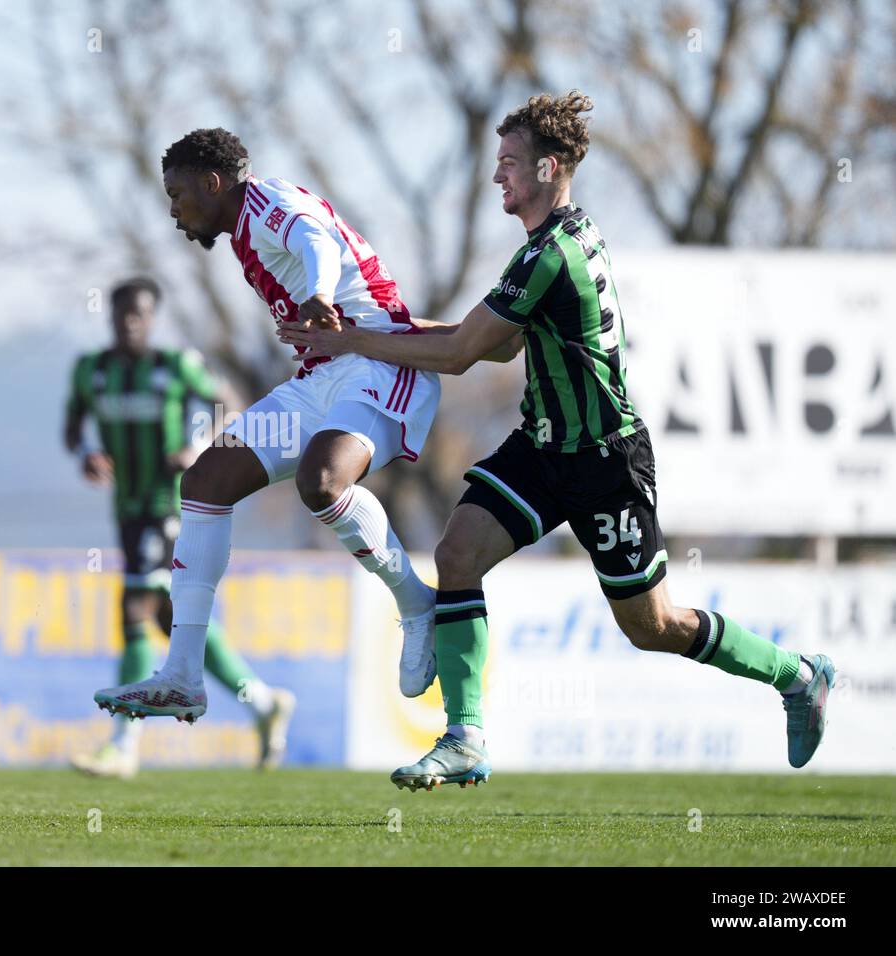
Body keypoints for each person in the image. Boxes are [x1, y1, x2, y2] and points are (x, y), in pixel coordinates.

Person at [278, 92, 835, 790]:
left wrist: (348, 341)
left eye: (509, 162)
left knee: (652, 625)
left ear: (547, 168)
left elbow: (459, 355)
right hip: (544, 449)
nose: (496, 176)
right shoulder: (558, 242)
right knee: (456, 551)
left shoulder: (551, 254)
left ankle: (797, 675)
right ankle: (465, 738)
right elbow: (500, 346)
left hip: (605, 460)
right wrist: (372, 333)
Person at [94, 128, 443, 723]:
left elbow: (316, 239)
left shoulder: (267, 202)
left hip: (377, 364)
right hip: (320, 380)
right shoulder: (243, 232)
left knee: (323, 482)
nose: (175, 211)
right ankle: (182, 674)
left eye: (178, 195)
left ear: (213, 183)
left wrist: (321, 294)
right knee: (206, 480)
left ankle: (418, 605)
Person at [66, 276, 295, 776]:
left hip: (171, 504)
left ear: (151, 318)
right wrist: (88, 453)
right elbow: (72, 427)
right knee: (177, 623)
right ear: (111, 316)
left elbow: (228, 404)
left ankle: (123, 743)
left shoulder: (174, 368)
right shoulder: (93, 371)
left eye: (140, 313)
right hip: (126, 511)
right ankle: (262, 703)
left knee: (136, 603)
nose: (131, 322)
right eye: (123, 312)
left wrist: (199, 444)